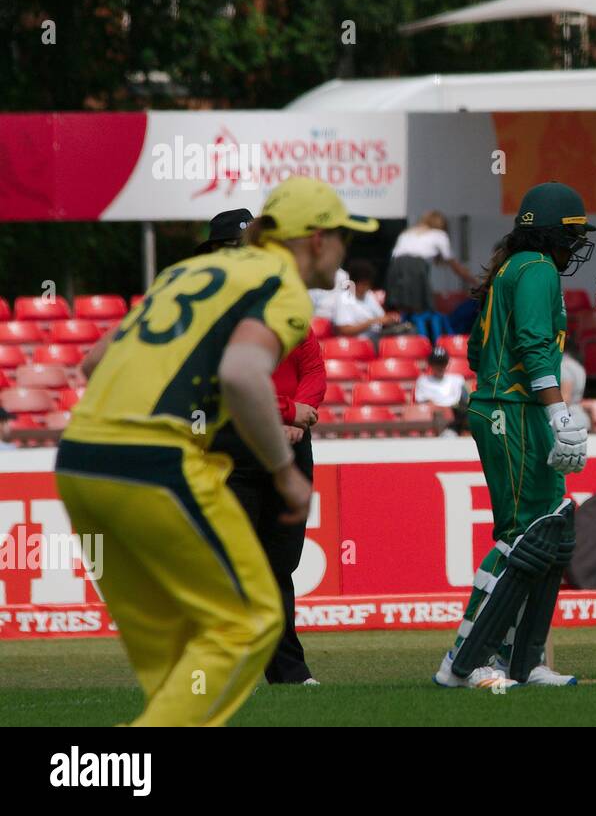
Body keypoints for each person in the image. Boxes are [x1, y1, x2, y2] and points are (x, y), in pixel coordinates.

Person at [54, 176, 374, 725]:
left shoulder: (185, 273)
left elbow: (90, 364)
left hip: (82, 458)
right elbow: (242, 373)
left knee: (186, 670)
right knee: (246, 620)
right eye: (344, 235)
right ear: (317, 239)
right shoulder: (279, 286)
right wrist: (285, 470)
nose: (347, 249)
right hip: (155, 459)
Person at [435, 180, 594, 690]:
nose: (575, 244)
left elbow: (480, 355)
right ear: (551, 232)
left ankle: (520, 661)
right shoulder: (537, 269)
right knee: (520, 538)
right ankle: (466, 660)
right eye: (571, 233)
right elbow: (532, 343)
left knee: (546, 533)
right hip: (512, 409)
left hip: (508, 405)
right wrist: (556, 413)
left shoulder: (515, 267)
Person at [202, 207, 327, 687]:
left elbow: (314, 367)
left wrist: (296, 416)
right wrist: (288, 412)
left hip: (288, 444)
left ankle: (286, 672)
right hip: (232, 446)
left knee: (279, 564)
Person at [386, 210, 477, 316]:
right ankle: (421, 329)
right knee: (421, 306)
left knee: (399, 304)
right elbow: (454, 265)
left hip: (395, 267)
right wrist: (473, 280)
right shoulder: (439, 235)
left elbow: (395, 255)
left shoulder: (407, 233)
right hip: (416, 267)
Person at [332, 259, 402, 347]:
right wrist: (371, 322)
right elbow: (344, 330)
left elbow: (381, 317)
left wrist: (390, 318)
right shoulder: (343, 299)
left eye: (368, 284)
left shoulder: (369, 295)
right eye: (363, 284)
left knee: (407, 334)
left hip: (377, 339)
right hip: (355, 344)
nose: (366, 287)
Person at [415, 346, 468, 433]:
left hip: (457, 420)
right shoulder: (423, 381)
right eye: (436, 363)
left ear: (447, 363)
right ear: (430, 364)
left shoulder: (457, 379)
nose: (439, 366)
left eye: (442, 362)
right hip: (434, 421)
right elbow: (423, 403)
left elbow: (464, 402)